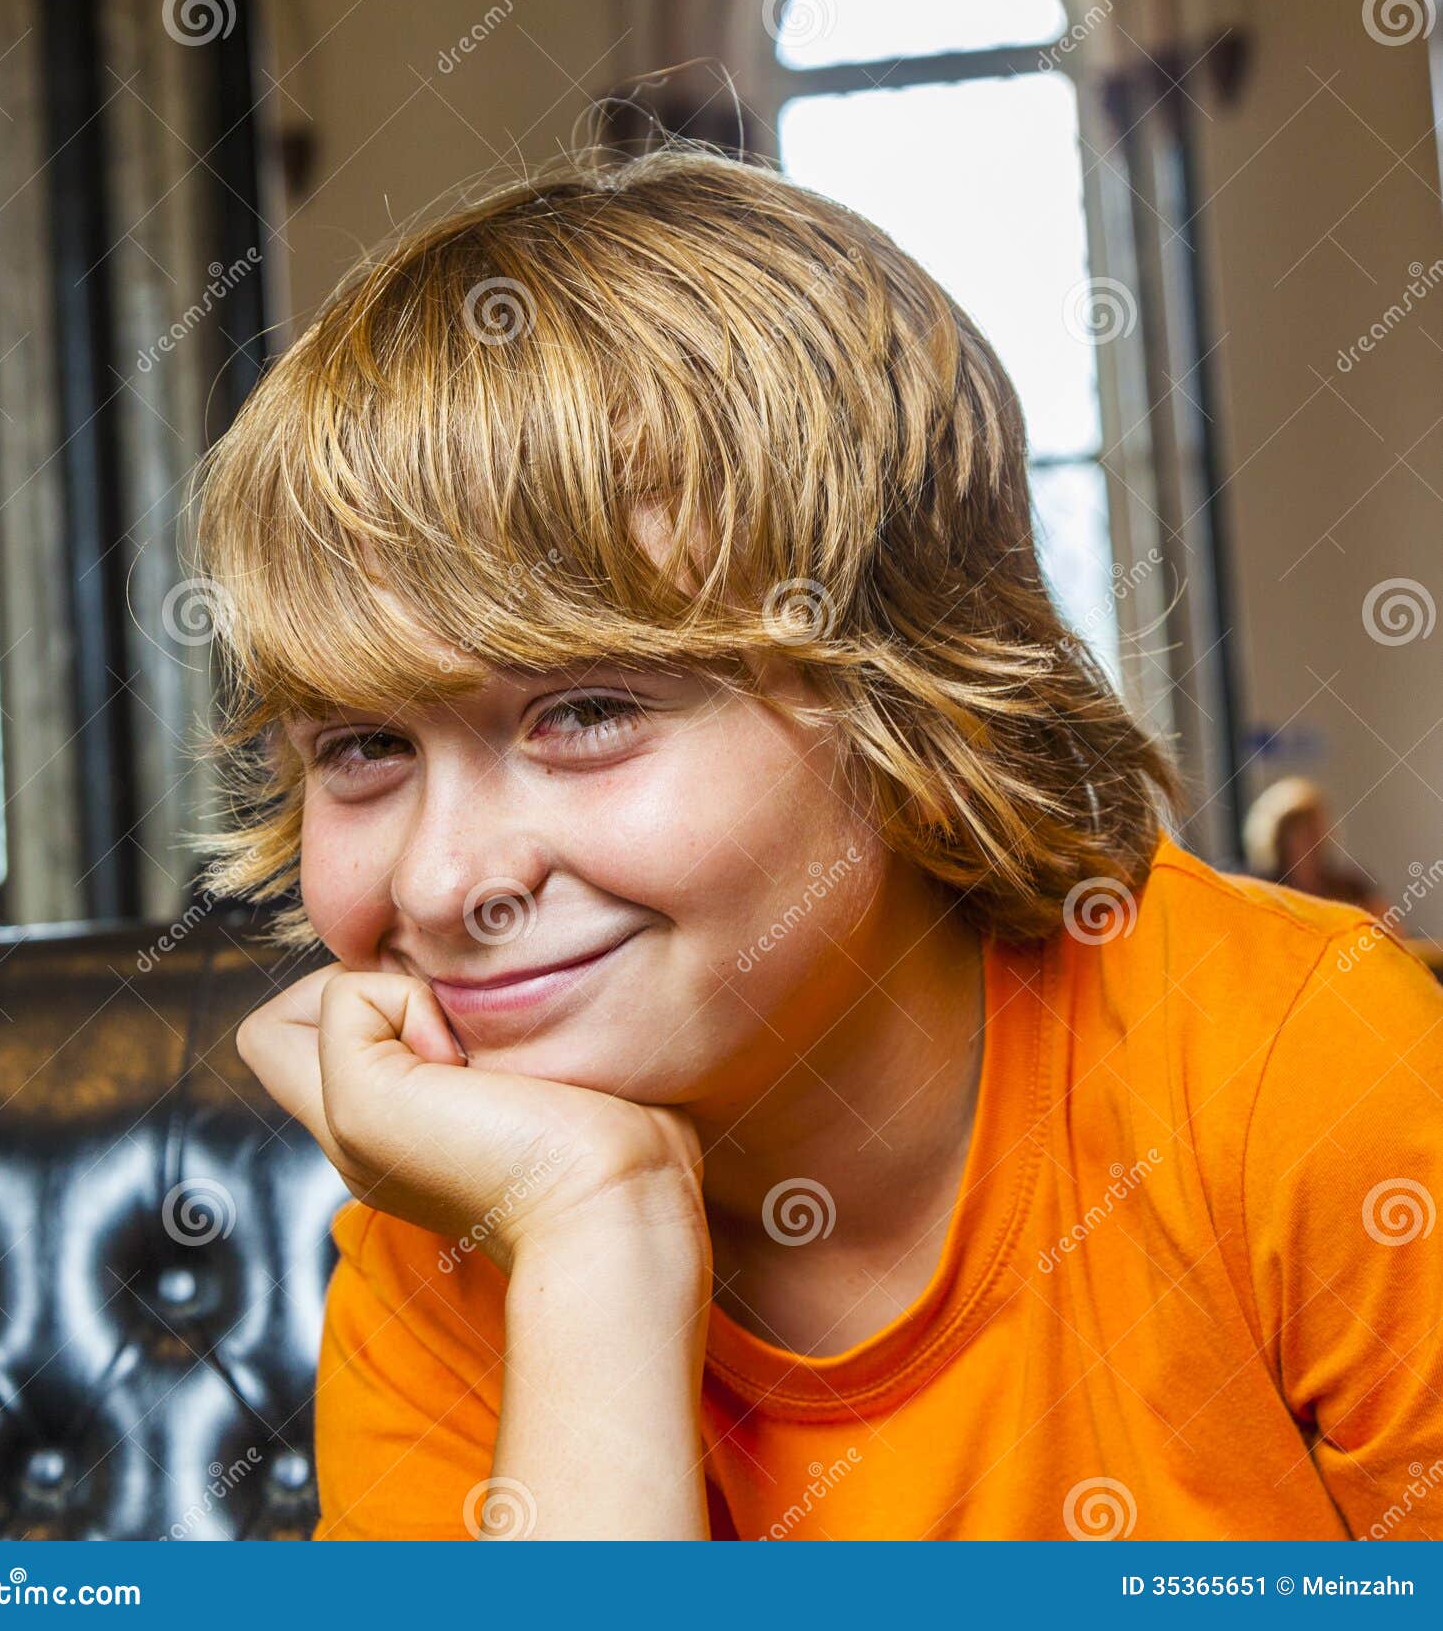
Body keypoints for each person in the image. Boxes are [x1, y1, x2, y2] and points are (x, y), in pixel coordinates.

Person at [191, 148, 1443, 1541]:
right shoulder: (457, 1225)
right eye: (362, 746)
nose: (438, 880)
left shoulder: (1309, 1083)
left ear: (902, 698)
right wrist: (596, 1230)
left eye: (588, 710)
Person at [1243, 776, 1389, 916]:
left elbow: (1390, 932)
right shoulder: (1263, 896)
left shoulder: (1352, 889)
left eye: (1316, 829)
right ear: (1278, 840)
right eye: (1299, 831)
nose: (1313, 839)